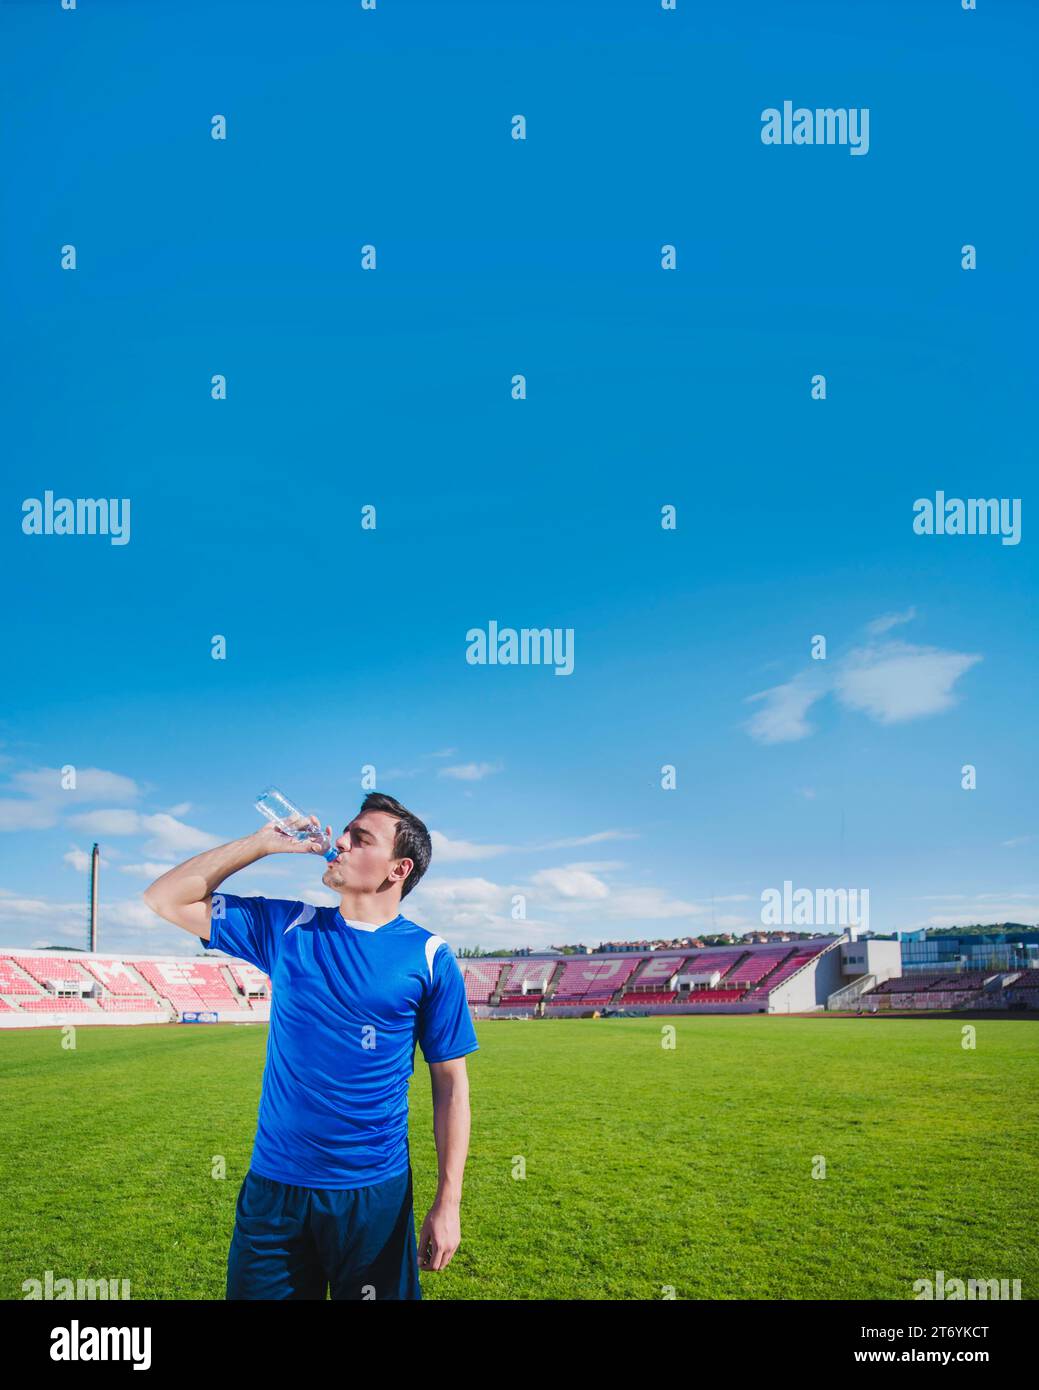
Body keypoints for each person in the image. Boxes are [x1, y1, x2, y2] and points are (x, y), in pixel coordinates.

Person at [143, 791, 478, 1301]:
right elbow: (166, 899)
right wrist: (261, 844)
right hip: (274, 1189)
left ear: (398, 868)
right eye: (345, 831)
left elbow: (451, 1084)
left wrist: (447, 1201)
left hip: (374, 1194)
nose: (339, 841)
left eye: (360, 838)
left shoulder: (430, 955)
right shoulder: (288, 927)